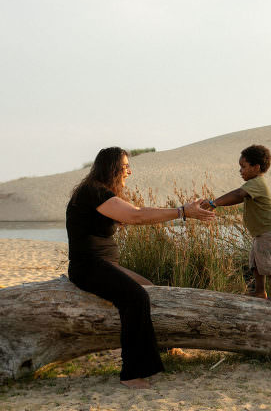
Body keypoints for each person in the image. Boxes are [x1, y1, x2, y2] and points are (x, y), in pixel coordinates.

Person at [66, 146, 215, 389]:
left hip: (104, 264)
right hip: (88, 267)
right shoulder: (93, 192)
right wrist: (182, 212)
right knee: (136, 297)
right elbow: (136, 215)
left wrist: (186, 210)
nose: (129, 172)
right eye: (125, 167)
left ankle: (166, 347)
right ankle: (131, 373)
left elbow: (131, 216)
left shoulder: (99, 192)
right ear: (112, 168)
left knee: (149, 289)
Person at [202, 144, 271, 302]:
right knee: (255, 262)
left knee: (265, 261)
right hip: (263, 233)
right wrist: (217, 204)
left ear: (256, 167)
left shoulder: (257, 183)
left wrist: (214, 203)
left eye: (243, 167)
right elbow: (238, 198)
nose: (240, 171)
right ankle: (260, 292)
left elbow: (238, 194)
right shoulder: (252, 185)